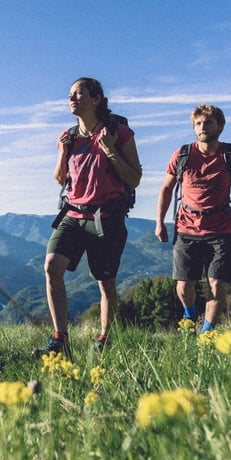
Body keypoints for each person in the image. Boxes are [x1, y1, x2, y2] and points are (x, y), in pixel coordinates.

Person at [34, 77, 143, 358]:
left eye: (78, 94)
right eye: (69, 94)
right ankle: (60, 339)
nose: (71, 98)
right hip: (72, 213)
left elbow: (135, 177)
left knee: (105, 284)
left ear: (96, 99)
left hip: (106, 218)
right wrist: (62, 152)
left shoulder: (119, 132)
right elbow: (60, 179)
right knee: (51, 267)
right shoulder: (69, 137)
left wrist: (109, 149)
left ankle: (105, 340)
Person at [154, 104, 231, 334]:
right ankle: (189, 314)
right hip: (186, 227)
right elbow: (166, 190)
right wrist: (159, 222)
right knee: (183, 286)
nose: (202, 127)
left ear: (220, 126)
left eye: (208, 122)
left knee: (217, 285)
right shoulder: (182, 155)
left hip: (221, 228)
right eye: (198, 123)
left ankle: (206, 334)